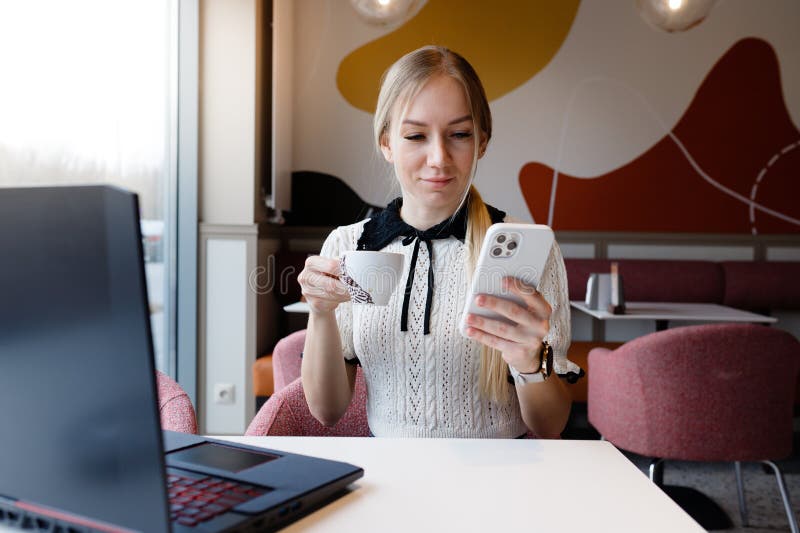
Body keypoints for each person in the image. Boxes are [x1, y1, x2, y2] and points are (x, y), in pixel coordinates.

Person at [297, 45, 581, 439]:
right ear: (386, 143)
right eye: (415, 135)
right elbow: (326, 411)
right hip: (394, 478)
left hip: (498, 480)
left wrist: (529, 361)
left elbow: (549, 426)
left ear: (482, 141)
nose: (438, 158)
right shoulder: (348, 246)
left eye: (460, 134)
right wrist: (321, 313)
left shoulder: (525, 249)